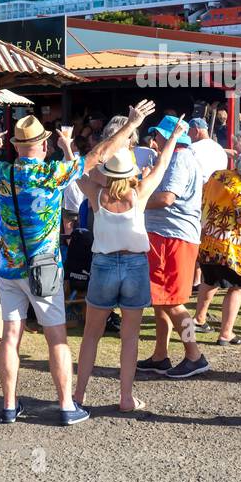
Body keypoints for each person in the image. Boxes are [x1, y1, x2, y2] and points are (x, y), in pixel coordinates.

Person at [0, 101, 154, 425]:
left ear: (15, 146)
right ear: (42, 144)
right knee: (56, 338)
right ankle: (67, 406)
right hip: (45, 268)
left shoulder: (1, 171)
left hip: (10, 267)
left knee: (11, 336)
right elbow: (100, 154)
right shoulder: (53, 173)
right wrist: (131, 124)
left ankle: (9, 406)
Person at [73, 125, 182, 412]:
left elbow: (80, 167)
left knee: (91, 335)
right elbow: (163, 163)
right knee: (130, 337)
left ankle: (79, 395)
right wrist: (171, 138)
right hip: (135, 264)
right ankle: (125, 397)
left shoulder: (96, 195)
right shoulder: (140, 192)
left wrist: (67, 147)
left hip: (104, 264)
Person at [139, 114, 210, 379]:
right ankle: (160, 355)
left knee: (173, 302)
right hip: (169, 235)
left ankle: (194, 354)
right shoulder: (179, 157)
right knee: (162, 301)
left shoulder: (180, 159)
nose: (154, 139)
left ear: (169, 137)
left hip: (172, 236)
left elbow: (168, 197)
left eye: (157, 134)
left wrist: (136, 200)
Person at [193, 148, 241, 347]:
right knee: (237, 288)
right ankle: (226, 333)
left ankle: (199, 319)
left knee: (210, 280)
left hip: (210, 240)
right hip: (234, 248)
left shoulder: (218, 175)